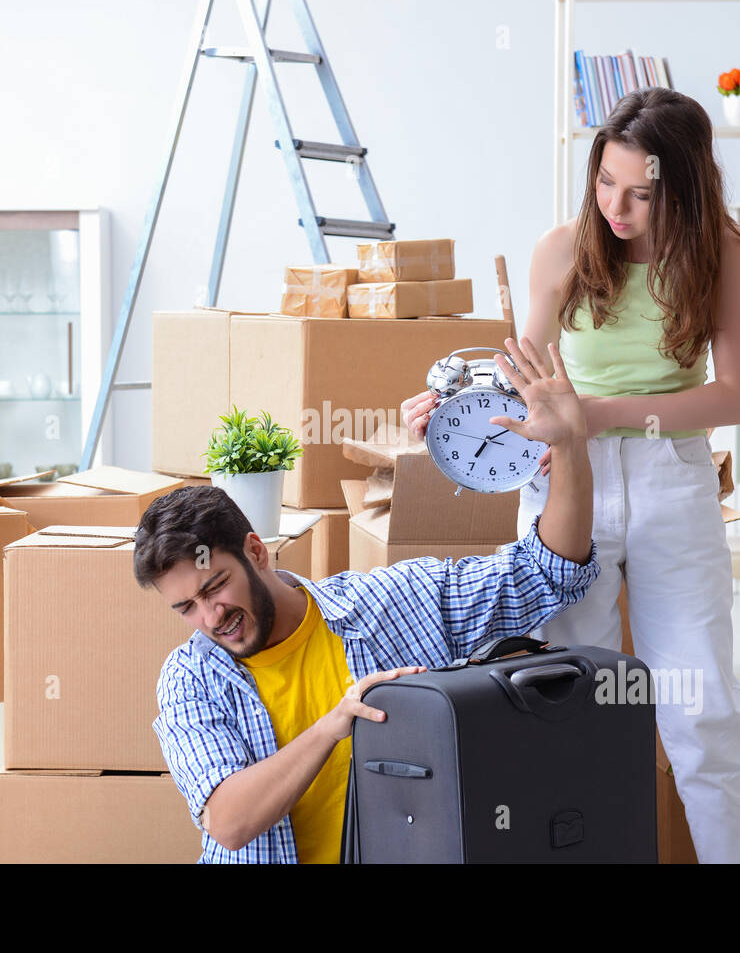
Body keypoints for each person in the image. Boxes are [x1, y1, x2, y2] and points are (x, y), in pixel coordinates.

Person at [401, 87, 740, 863]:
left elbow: (736, 397)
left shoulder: (722, 254)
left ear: (685, 189)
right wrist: (446, 405)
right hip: (568, 480)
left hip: (671, 474)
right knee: (571, 702)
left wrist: (599, 413)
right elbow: (523, 377)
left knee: (702, 710)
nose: (617, 206)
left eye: (642, 193)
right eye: (606, 182)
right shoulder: (562, 249)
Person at [139, 337, 600, 863]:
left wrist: (568, 446)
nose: (209, 616)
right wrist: (335, 723)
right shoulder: (191, 678)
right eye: (186, 609)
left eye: (214, 586)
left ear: (255, 551)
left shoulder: (393, 603)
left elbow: (548, 573)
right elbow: (230, 822)